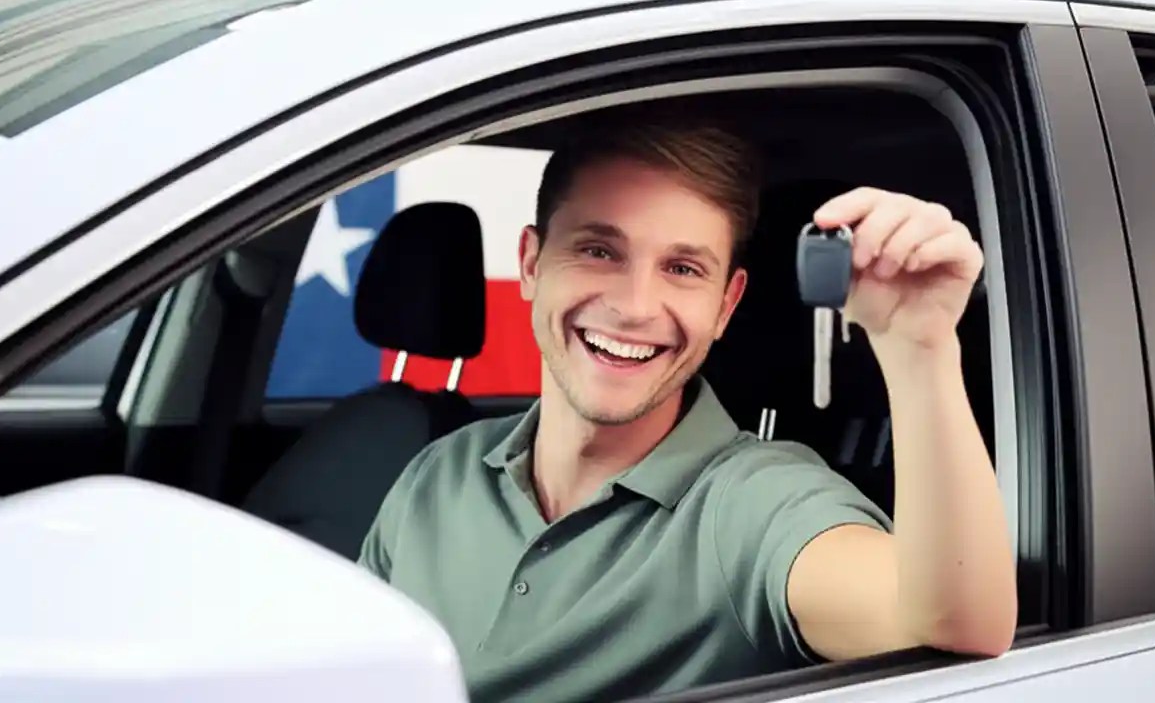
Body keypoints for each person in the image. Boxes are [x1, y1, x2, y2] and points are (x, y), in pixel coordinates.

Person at [358, 113, 1017, 702]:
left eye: (683, 269)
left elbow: (947, 624)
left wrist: (918, 349)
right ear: (531, 262)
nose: (636, 305)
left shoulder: (751, 503)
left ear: (727, 305)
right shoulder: (436, 473)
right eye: (598, 250)